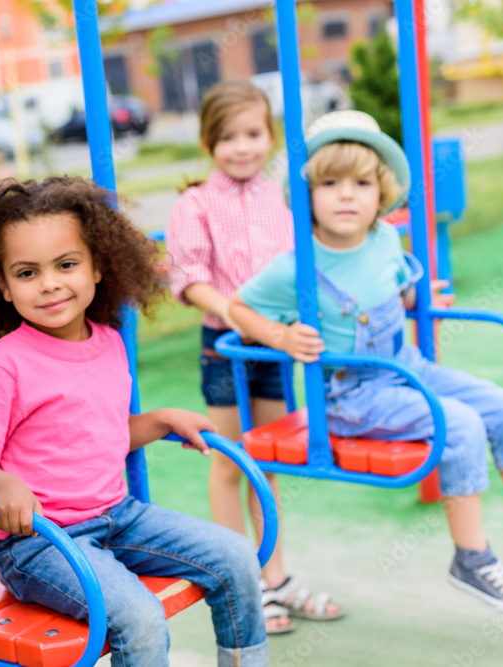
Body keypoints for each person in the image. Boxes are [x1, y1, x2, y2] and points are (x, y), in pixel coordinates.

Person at [0, 176, 269, 667]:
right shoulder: (5, 364)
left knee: (236, 556)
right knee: (140, 617)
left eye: (66, 265)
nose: (49, 283)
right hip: (39, 543)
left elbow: (102, 433)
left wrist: (161, 419)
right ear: (3, 285)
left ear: (97, 268)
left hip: (118, 517)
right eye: (27, 273)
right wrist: (2, 485)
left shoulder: (108, 342)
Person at [230, 109, 503, 614]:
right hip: (352, 397)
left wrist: (419, 297)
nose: (347, 194)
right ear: (307, 196)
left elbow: (398, 290)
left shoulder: (386, 238)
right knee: (460, 425)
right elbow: (238, 308)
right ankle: (471, 558)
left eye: (361, 182)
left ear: (381, 193)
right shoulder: (297, 265)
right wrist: (281, 336)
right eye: (330, 182)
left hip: (407, 366)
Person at [165, 80, 342, 632]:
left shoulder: (283, 197)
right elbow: (190, 278)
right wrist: (244, 315)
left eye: (253, 134)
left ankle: (277, 576)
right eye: (227, 137)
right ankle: (242, 579)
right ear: (208, 142)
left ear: (270, 136)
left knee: (270, 461)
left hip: (274, 345)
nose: (242, 147)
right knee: (231, 460)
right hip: (226, 348)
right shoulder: (195, 203)